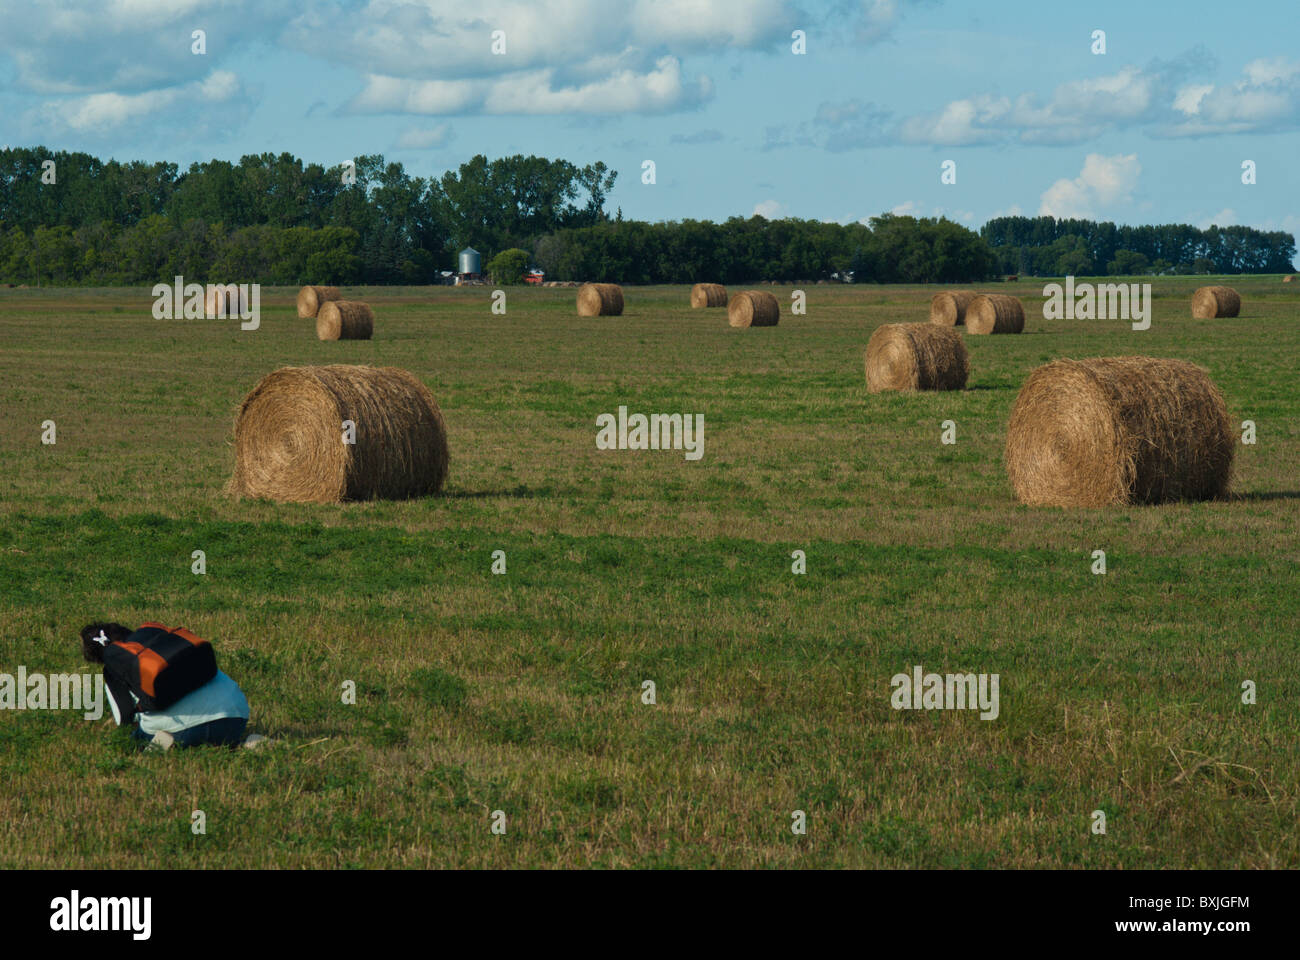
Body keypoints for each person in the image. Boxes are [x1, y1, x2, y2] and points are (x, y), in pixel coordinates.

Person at [79, 621, 253, 750]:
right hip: (237, 717)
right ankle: (244, 743)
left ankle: (160, 745)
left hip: (187, 732)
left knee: (136, 737)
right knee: (223, 737)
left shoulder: (115, 667)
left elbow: (125, 718)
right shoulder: (159, 638)